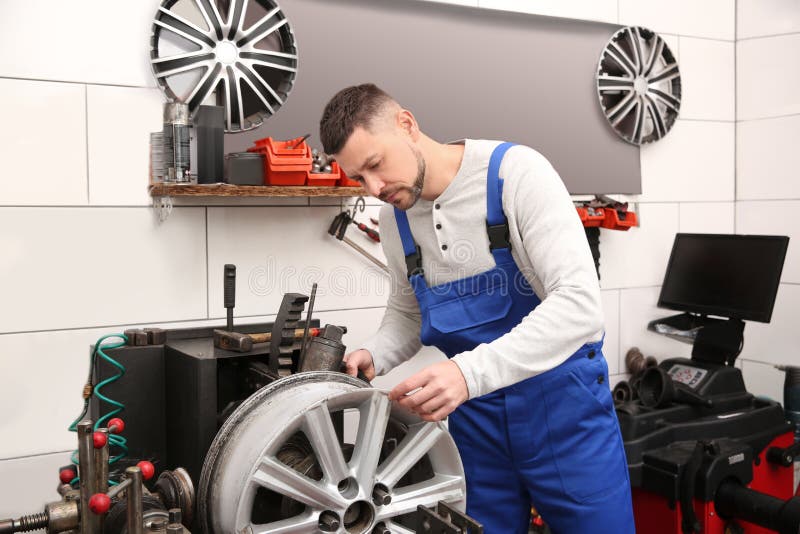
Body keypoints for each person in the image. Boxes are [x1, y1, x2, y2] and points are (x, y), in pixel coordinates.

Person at [319, 83, 635, 533]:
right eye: (358, 179)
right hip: (477, 425)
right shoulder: (394, 219)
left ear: (406, 125)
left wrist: (467, 374)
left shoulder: (516, 175)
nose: (374, 188)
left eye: (375, 164)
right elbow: (408, 313)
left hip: (565, 413)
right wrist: (374, 353)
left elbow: (579, 306)